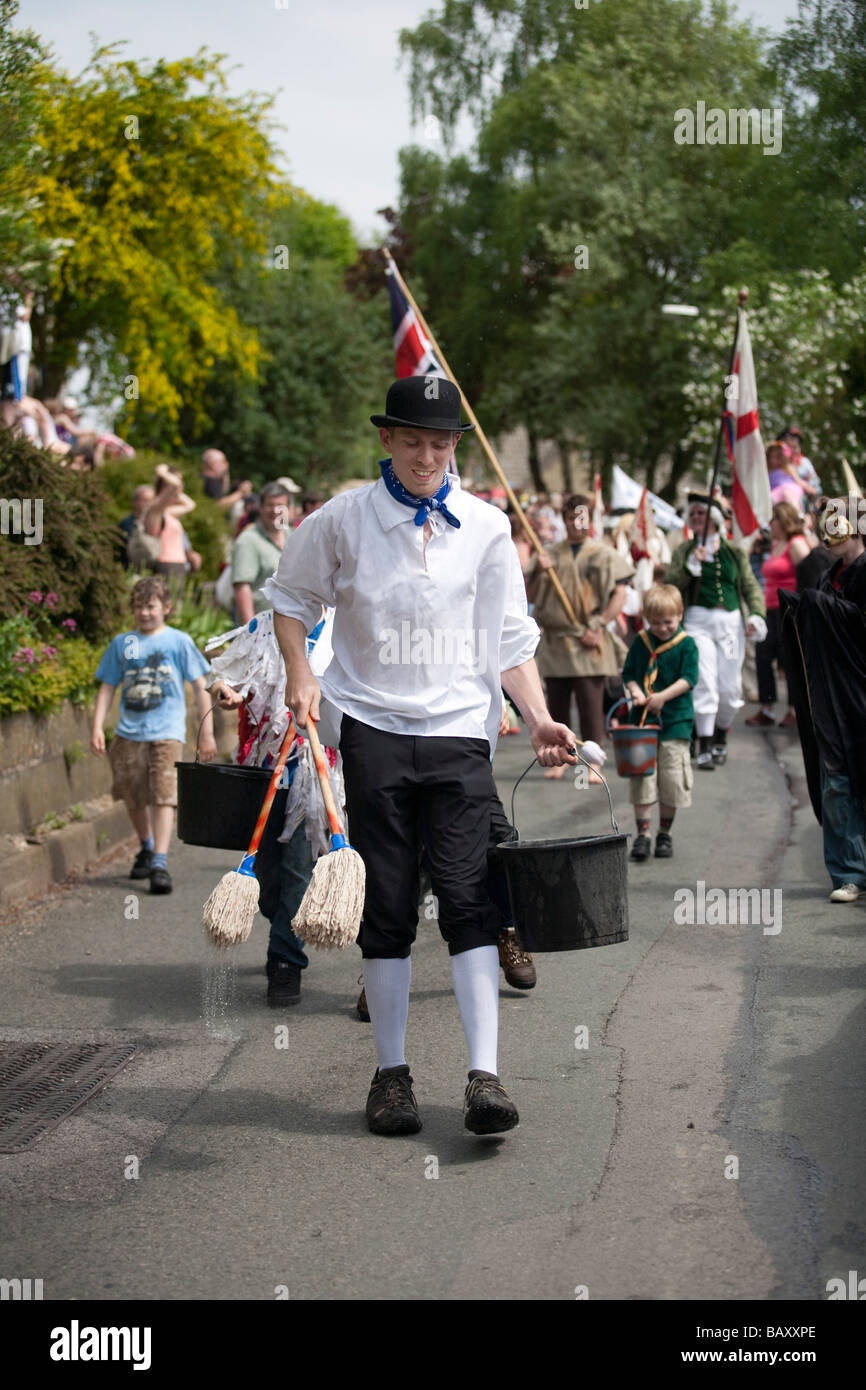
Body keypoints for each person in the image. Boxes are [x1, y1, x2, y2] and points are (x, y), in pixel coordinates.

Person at [264, 374, 597, 1138]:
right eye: (411, 440)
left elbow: (508, 642)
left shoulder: (485, 528)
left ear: (456, 447)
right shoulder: (343, 520)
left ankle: (485, 1076)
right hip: (374, 731)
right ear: (387, 439)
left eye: (439, 443)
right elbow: (292, 599)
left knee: (469, 899)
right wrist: (301, 672)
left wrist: (540, 715)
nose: (424, 456)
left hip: (457, 735)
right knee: (386, 907)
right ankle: (391, 1076)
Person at [206, 609, 343, 1007]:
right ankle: (281, 921)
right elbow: (226, 676)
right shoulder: (264, 626)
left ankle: (285, 960)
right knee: (267, 873)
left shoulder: (341, 627)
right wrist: (224, 691)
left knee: (299, 865)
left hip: (315, 771)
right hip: (262, 770)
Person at [90, 575, 216, 895]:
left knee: (163, 794)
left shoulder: (178, 641)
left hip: (167, 731)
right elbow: (108, 686)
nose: (145, 613)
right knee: (131, 793)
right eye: (139, 607)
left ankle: (159, 861)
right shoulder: (122, 643)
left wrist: (207, 734)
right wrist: (96, 727)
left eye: (151, 606)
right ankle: (146, 846)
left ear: (166, 607)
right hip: (128, 731)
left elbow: (201, 686)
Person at [779, 496, 866, 903]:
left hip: (859, 693)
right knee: (835, 784)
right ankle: (848, 872)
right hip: (828, 697)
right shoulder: (824, 577)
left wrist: (822, 608)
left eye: (838, 521)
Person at [525, 493, 632, 776]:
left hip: (589, 636)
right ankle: (562, 759)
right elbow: (530, 595)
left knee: (589, 702)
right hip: (558, 639)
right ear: (565, 520)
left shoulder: (604, 554)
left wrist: (598, 624)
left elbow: (620, 595)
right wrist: (540, 573)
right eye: (572, 517)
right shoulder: (548, 553)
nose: (578, 523)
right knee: (557, 703)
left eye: (583, 516)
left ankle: (593, 762)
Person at [664, 494, 767, 769]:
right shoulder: (684, 551)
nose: (696, 517)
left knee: (730, 687)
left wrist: (756, 614)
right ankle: (706, 744)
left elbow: (750, 585)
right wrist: (690, 568)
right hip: (698, 623)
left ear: (715, 519)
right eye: (693, 513)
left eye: (701, 513)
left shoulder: (733, 551)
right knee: (705, 680)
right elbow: (670, 585)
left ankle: (721, 734)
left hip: (730, 626)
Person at [620, 584, 699, 862]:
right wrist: (636, 691)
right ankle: (643, 835)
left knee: (672, 779)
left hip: (675, 721)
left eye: (668, 622)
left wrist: (662, 697)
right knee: (642, 778)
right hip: (641, 723)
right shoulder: (642, 641)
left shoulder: (687, 644)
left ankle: (665, 833)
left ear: (680, 615)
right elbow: (629, 673)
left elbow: (689, 679)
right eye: (655, 623)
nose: (662, 628)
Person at [746, 501, 810, 728]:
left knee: (789, 659)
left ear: (783, 520)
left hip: (789, 610)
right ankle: (767, 707)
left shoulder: (797, 544)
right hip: (770, 609)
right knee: (763, 656)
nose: (770, 523)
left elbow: (808, 577)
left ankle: (795, 710)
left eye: (774, 519)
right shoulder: (776, 544)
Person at [231, 481, 292, 623]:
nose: (275, 510)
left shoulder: (293, 537)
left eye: (280, 506)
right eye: (270, 505)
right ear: (260, 508)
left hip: (291, 626)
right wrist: (251, 630)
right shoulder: (248, 540)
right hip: (262, 627)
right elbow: (242, 587)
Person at [200, 448, 253, 518]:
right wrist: (241, 492)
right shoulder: (211, 481)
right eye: (223, 461)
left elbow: (224, 490)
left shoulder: (204, 479)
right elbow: (220, 505)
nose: (226, 465)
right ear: (212, 464)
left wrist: (225, 473)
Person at [118, 484, 155, 569]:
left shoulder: (157, 524)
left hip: (151, 569)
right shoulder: (125, 523)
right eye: (145, 500)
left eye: (151, 500)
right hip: (129, 567)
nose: (149, 504)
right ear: (135, 502)